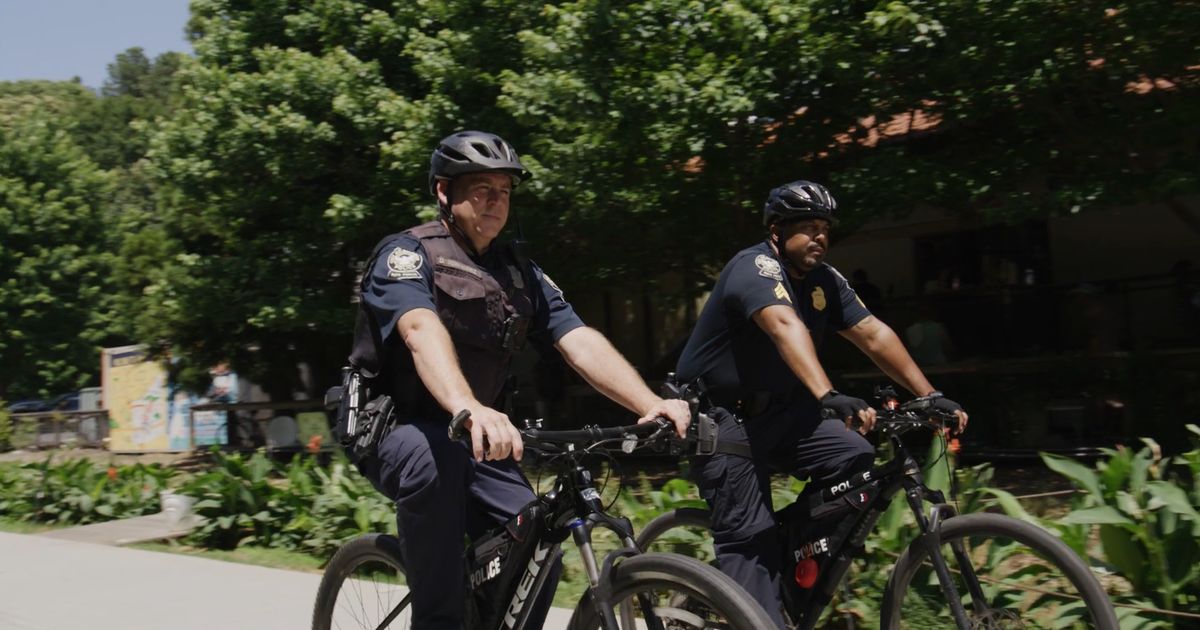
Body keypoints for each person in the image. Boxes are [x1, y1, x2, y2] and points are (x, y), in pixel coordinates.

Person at [347, 130, 691, 630]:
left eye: (504, 191)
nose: (495, 202)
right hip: (395, 425)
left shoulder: (518, 272)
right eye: (481, 189)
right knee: (432, 461)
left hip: (475, 433)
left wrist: (647, 402)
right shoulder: (406, 256)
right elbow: (420, 328)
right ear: (444, 192)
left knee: (535, 530)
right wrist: (469, 405)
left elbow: (577, 339)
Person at [673, 180, 968, 628]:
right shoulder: (754, 267)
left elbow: (872, 333)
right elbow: (783, 325)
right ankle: (756, 596)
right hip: (724, 419)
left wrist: (927, 396)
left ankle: (789, 552)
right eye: (808, 227)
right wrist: (826, 394)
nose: (820, 237)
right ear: (777, 229)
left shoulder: (824, 281)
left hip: (785, 413)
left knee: (856, 459)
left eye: (825, 228)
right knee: (750, 541)